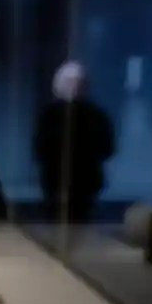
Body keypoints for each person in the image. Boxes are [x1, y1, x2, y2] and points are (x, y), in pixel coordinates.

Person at [34, 61, 115, 222]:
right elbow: (39, 149)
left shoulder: (95, 116)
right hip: (59, 183)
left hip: (81, 186)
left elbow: (107, 148)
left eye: (77, 81)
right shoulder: (49, 115)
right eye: (69, 81)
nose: (73, 86)